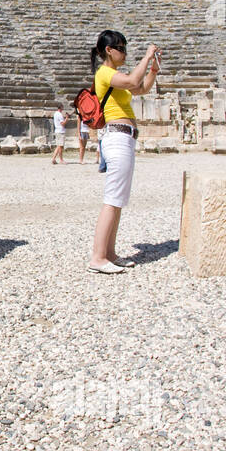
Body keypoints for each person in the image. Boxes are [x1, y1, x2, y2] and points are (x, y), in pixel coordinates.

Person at [88, 30, 160, 274]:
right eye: (122, 48)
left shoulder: (115, 76)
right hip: (116, 136)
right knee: (112, 199)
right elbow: (131, 82)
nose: (125, 53)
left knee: (118, 199)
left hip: (124, 138)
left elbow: (140, 88)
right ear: (109, 50)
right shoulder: (105, 73)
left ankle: (109, 253)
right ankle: (97, 257)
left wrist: (152, 70)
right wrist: (147, 55)